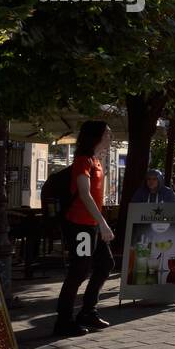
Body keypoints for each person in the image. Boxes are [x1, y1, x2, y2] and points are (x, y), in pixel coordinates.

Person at [55, 121, 115, 336]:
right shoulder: (83, 160)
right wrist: (102, 222)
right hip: (80, 225)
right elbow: (84, 193)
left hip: (91, 226)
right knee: (79, 270)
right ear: (96, 136)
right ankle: (63, 320)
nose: (110, 137)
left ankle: (88, 311)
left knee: (106, 263)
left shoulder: (96, 161)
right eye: (107, 133)